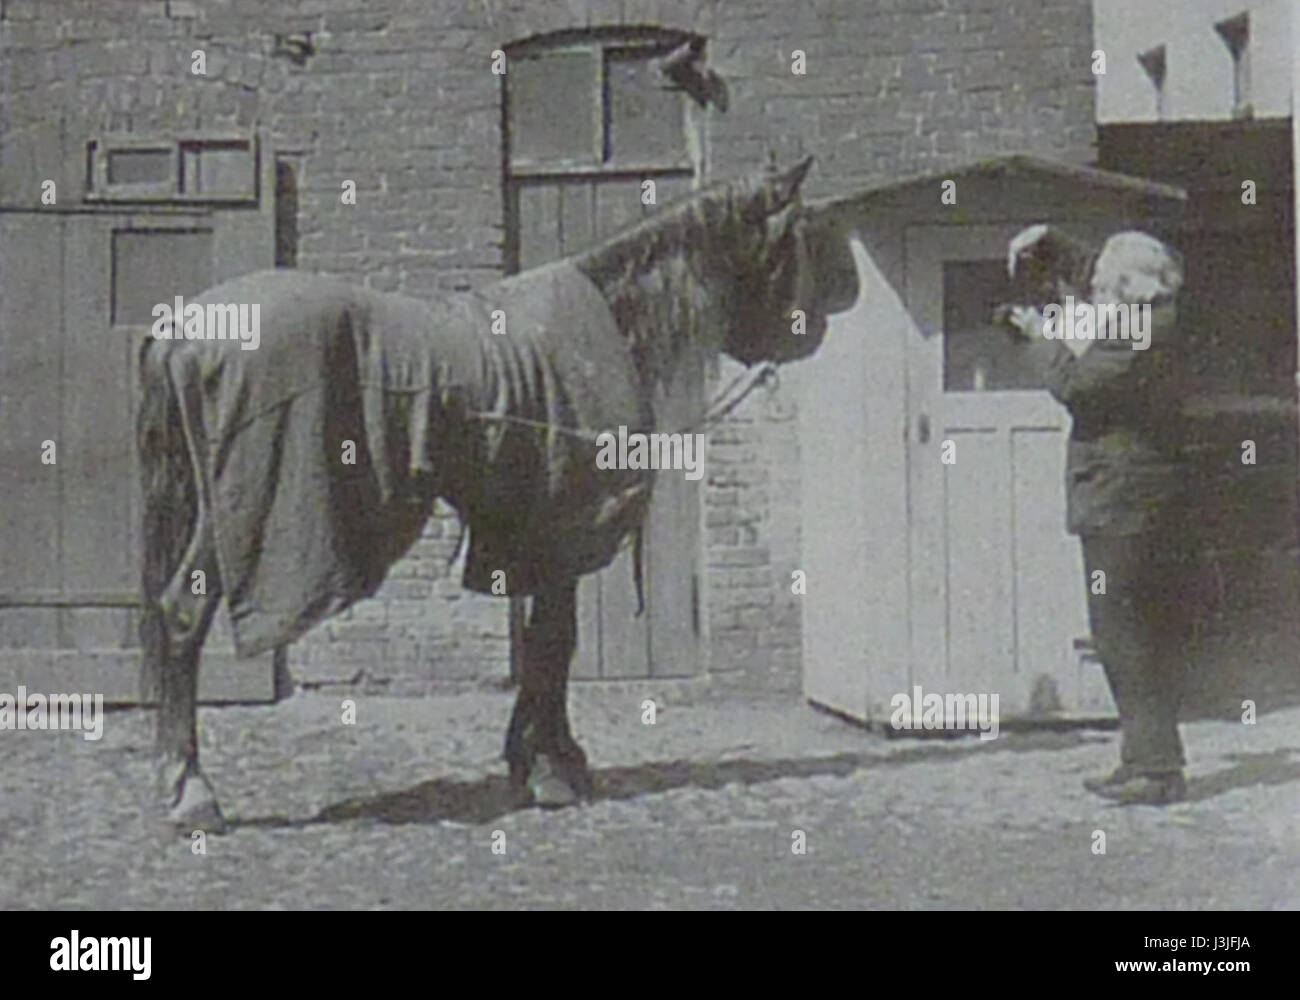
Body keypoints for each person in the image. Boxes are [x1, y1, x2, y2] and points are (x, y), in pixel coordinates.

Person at [1001, 224, 1204, 805]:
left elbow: (1074, 386)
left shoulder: (1139, 336)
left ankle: (1156, 770)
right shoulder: (1156, 309)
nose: (1098, 297)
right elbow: (1106, 268)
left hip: (1122, 502)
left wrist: (1041, 335)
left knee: (1123, 632)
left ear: (1130, 289)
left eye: (1107, 291)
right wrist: (1052, 240)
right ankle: (1147, 760)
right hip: (1137, 499)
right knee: (1133, 630)